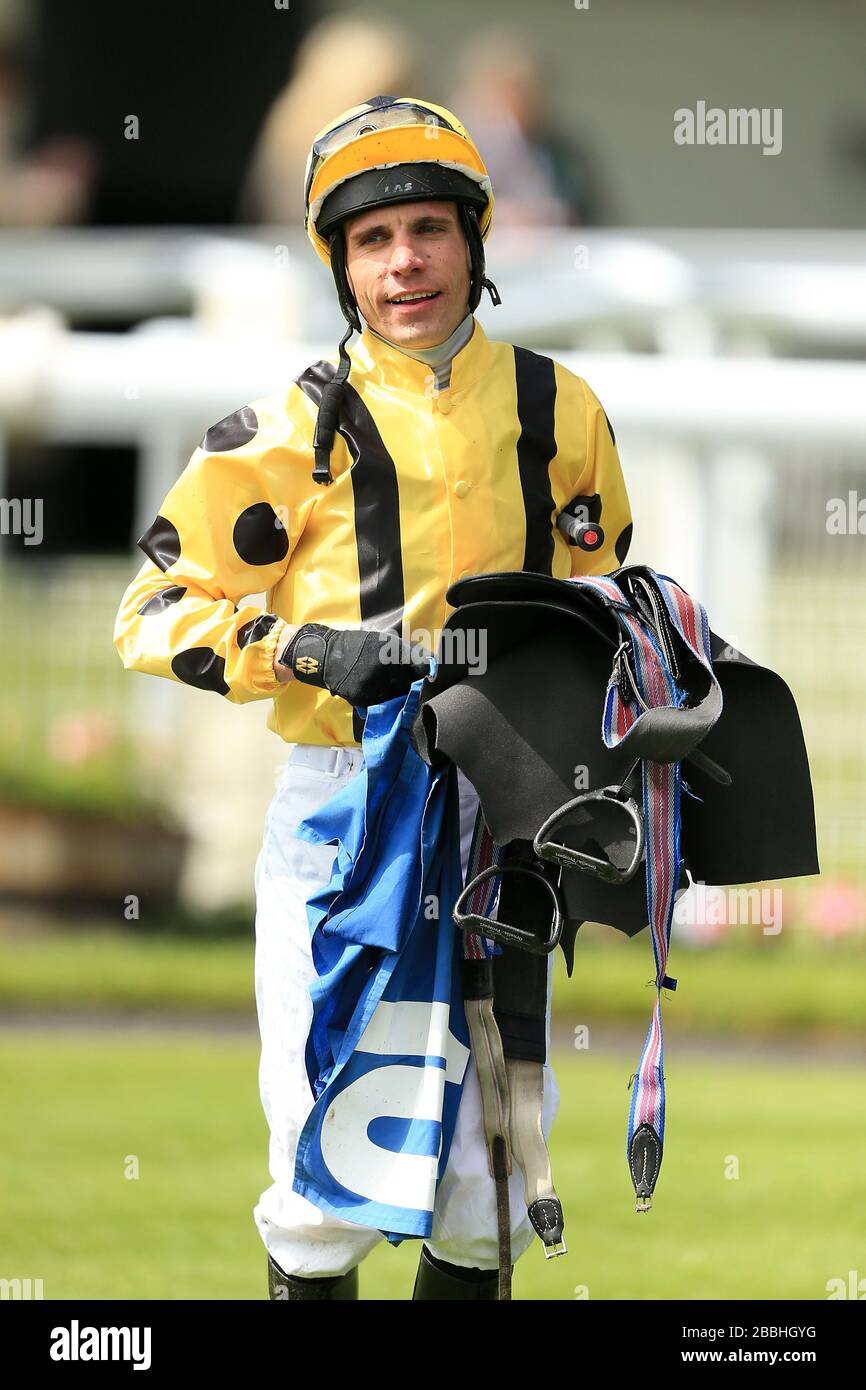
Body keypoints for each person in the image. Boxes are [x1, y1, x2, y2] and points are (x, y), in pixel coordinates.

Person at [113, 95, 633, 1300]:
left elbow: (610, 607)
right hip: (342, 823)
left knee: (486, 1177)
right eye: (372, 238)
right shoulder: (288, 429)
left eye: (429, 230)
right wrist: (300, 648)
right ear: (340, 266)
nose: (405, 261)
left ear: (476, 239)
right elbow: (147, 611)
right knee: (325, 1169)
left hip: (506, 826)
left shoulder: (563, 415)